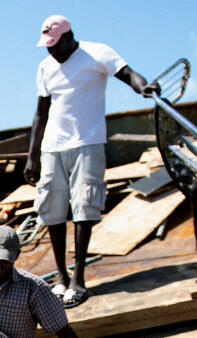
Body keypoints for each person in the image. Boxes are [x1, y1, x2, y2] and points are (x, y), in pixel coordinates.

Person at [25, 14, 160, 308]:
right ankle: (61, 277)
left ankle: (79, 279)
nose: (51, 51)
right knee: (52, 210)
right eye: (46, 46)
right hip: (52, 147)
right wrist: (32, 156)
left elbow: (128, 75)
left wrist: (143, 86)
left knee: (85, 207)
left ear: (69, 37)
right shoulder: (45, 66)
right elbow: (40, 113)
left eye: (54, 45)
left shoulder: (97, 53)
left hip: (88, 142)